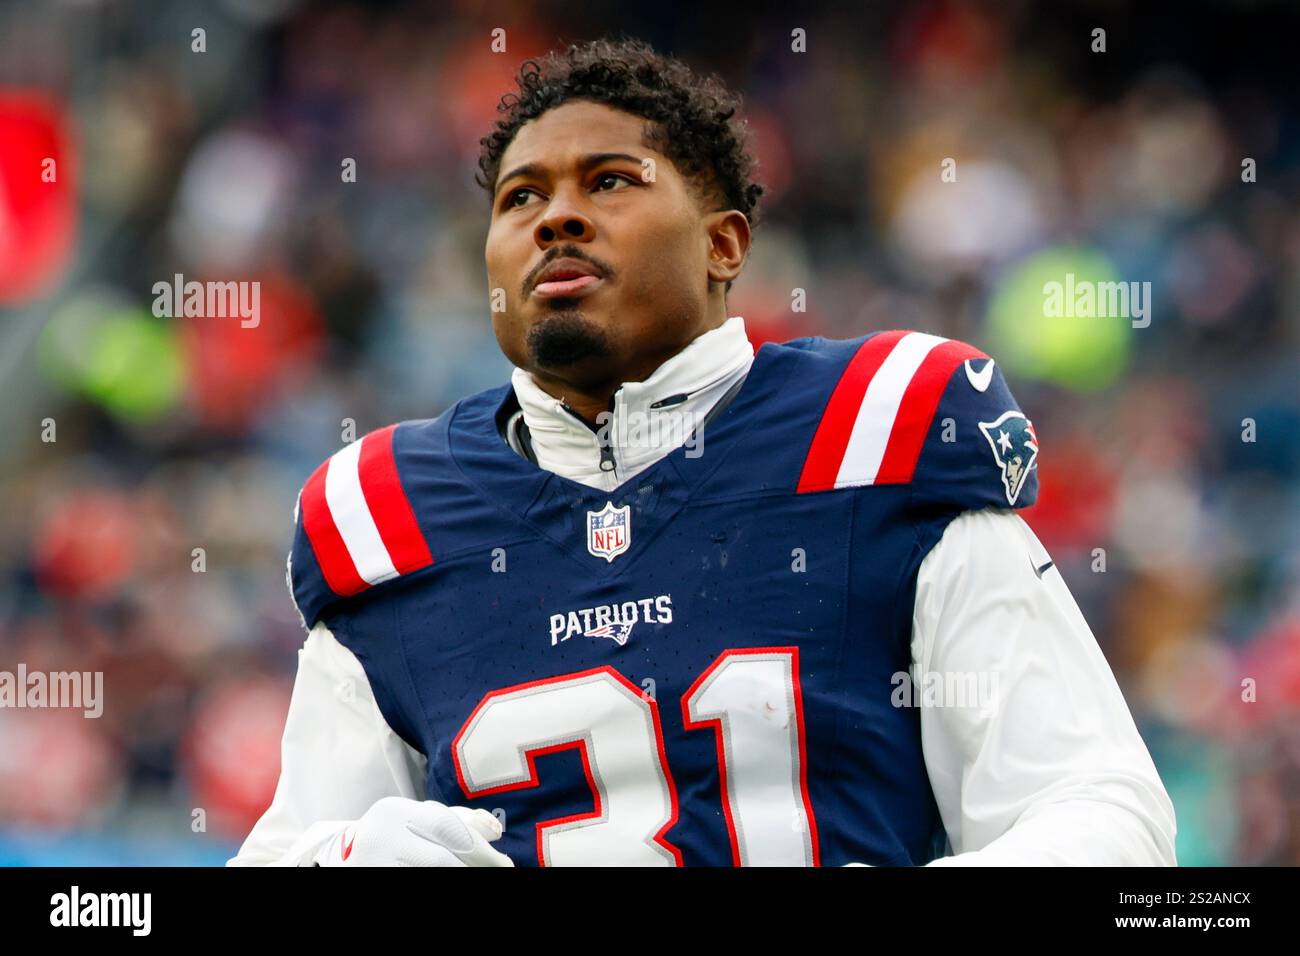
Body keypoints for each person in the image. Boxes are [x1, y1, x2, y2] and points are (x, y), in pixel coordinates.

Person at [229, 38, 1176, 867]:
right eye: (523, 198)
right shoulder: (388, 514)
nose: (557, 218)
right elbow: (285, 845)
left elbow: (1103, 811)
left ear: (725, 244)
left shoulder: (876, 440)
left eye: (611, 181)